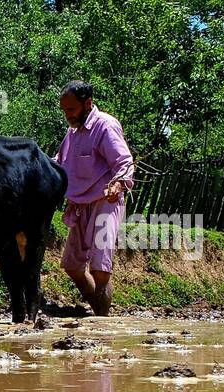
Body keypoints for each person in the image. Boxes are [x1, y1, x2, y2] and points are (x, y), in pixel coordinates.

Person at [54, 80, 134, 316]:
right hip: (79, 204)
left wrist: (118, 184)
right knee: (71, 265)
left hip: (104, 202)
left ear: (87, 103)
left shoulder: (105, 126)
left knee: (100, 267)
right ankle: (98, 311)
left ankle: (102, 320)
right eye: (65, 110)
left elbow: (124, 161)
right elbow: (59, 162)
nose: (67, 115)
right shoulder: (72, 132)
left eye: (71, 109)